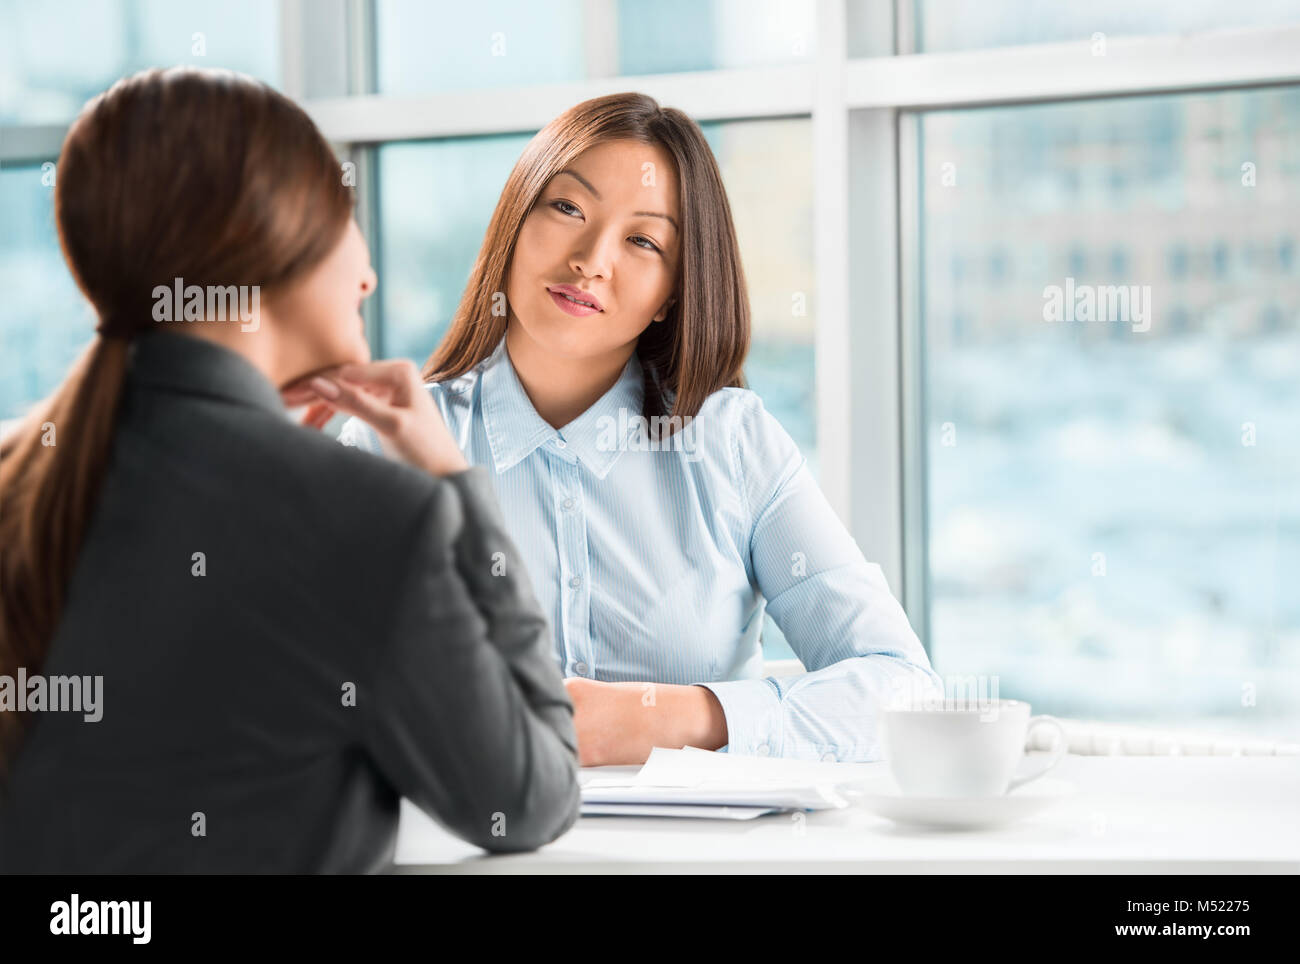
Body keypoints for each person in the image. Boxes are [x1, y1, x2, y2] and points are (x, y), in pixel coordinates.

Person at [0, 67, 579, 873]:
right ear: (273, 238)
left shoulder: (20, 473)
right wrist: (453, 486)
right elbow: (530, 796)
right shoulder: (374, 519)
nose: (368, 273)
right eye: (345, 217)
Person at [328, 92, 946, 766]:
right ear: (514, 219)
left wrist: (669, 719)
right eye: (568, 208)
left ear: (672, 294)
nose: (592, 259)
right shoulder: (390, 444)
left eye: (644, 241)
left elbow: (903, 688)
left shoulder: (732, 445)